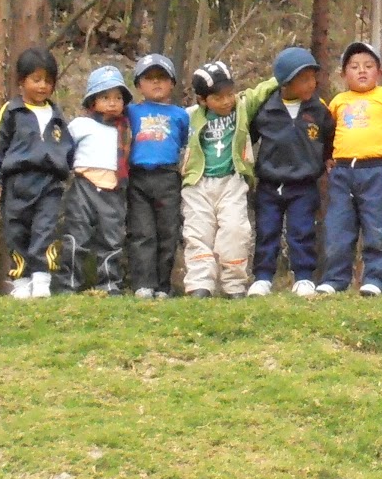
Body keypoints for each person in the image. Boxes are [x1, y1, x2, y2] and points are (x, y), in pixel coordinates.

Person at [323, 41, 382, 296]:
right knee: (338, 227)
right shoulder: (339, 101)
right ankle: (334, 279)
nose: (362, 71)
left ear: (379, 72)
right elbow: (327, 131)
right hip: (342, 172)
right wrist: (327, 156)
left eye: (368, 66)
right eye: (354, 67)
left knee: (377, 227)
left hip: (375, 169)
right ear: (343, 75)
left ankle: (376, 279)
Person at [0, 48, 74, 300]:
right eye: (36, 79)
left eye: (48, 81)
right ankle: (21, 282)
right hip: (17, 183)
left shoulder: (57, 116)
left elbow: (68, 147)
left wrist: (66, 168)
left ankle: (42, 279)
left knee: (46, 228)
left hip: (50, 183)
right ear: (21, 81)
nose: (42, 86)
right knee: (17, 231)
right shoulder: (11, 111)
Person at [246, 47, 335, 297]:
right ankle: (263, 277)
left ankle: (304, 277)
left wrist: (327, 159)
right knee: (267, 230)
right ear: (286, 82)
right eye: (303, 79)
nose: (311, 84)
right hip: (269, 183)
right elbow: (248, 138)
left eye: (313, 78)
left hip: (304, 184)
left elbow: (330, 136)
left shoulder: (318, 109)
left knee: (302, 231)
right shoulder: (266, 109)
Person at [181, 61, 265, 299]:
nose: (227, 101)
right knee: (198, 232)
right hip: (198, 184)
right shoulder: (189, 117)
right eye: (218, 98)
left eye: (230, 94)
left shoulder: (241, 108)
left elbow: (261, 91)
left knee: (236, 230)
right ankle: (200, 284)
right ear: (202, 100)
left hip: (231, 181)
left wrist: (284, 74)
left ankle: (234, 285)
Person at [54, 65, 131, 295]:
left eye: (118, 98)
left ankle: (109, 284)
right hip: (84, 186)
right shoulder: (81, 125)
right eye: (105, 97)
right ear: (92, 101)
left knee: (112, 238)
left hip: (113, 189)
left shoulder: (125, 129)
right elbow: (64, 151)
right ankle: (68, 283)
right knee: (76, 235)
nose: (112, 103)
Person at [126, 54, 190, 299]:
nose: (156, 83)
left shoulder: (180, 115)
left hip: (168, 177)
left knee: (168, 231)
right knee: (142, 232)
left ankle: (163, 285)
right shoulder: (131, 112)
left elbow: (183, 142)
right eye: (149, 78)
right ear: (138, 85)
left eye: (162, 78)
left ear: (172, 83)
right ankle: (143, 283)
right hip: (138, 177)